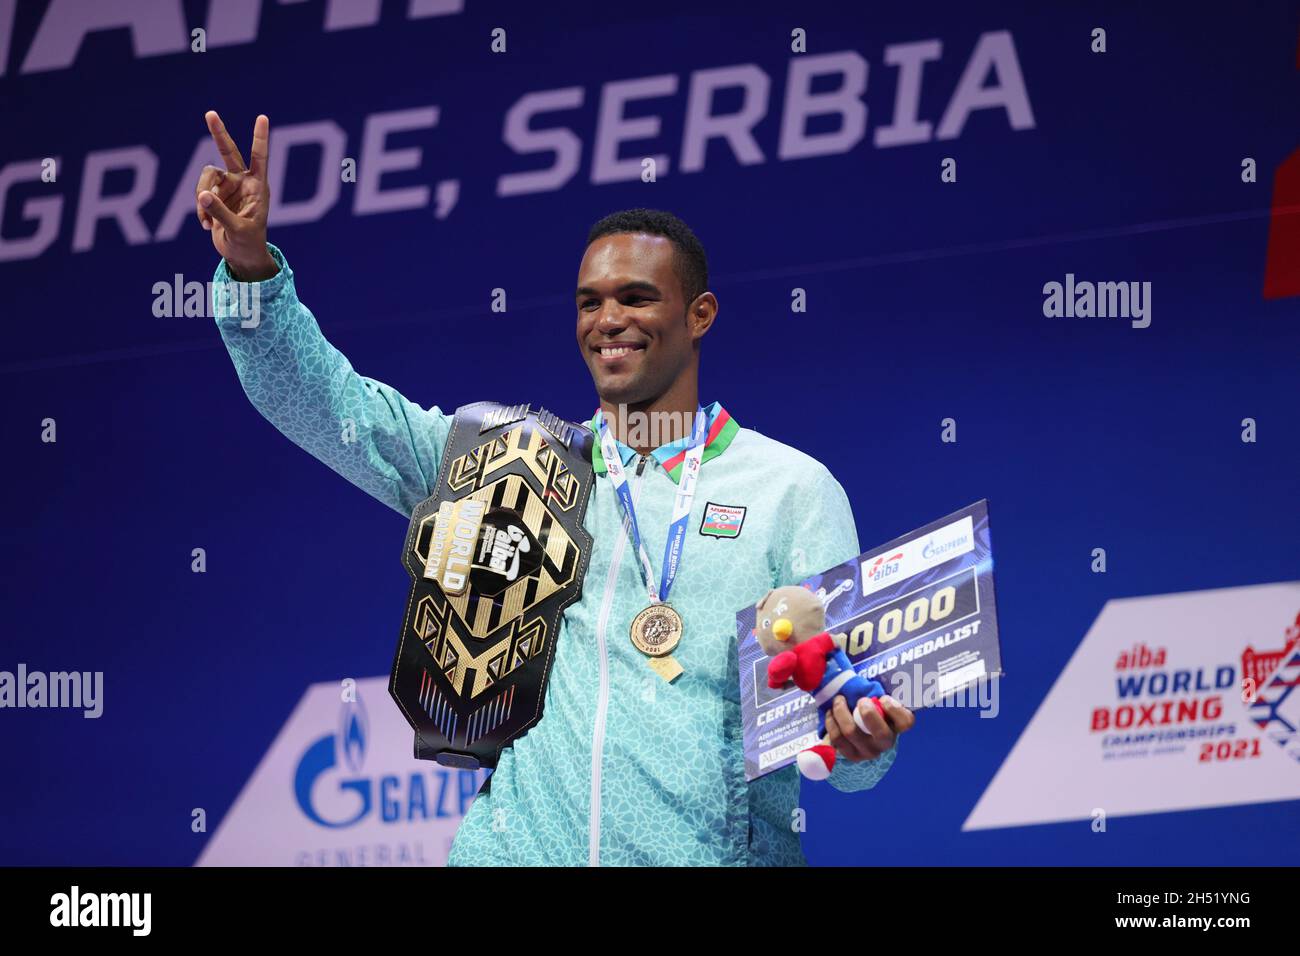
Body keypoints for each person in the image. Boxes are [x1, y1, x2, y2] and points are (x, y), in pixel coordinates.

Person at [196, 111, 915, 866]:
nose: (609, 320)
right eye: (589, 301)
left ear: (699, 314)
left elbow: (859, 748)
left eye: (637, 298)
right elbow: (336, 410)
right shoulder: (508, 466)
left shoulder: (791, 490)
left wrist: (860, 739)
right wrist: (252, 274)